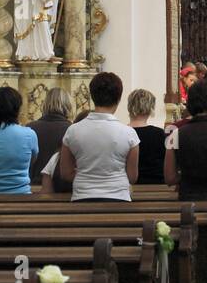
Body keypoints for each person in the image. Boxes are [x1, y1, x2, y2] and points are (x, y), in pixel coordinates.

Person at [60, 72, 140, 202]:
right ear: (119, 98)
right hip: (119, 198)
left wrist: (89, 179)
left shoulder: (73, 131)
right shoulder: (129, 133)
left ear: (92, 96)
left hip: (82, 197)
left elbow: (66, 173)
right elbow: (132, 177)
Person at [27, 87, 72, 187]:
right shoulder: (71, 130)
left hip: (33, 186)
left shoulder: (30, 128)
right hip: (60, 189)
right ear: (68, 105)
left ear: (45, 104)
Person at [127, 88, 166, 185]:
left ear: (129, 107)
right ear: (150, 108)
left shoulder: (121, 133)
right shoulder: (160, 134)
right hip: (159, 188)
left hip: (129, 187)